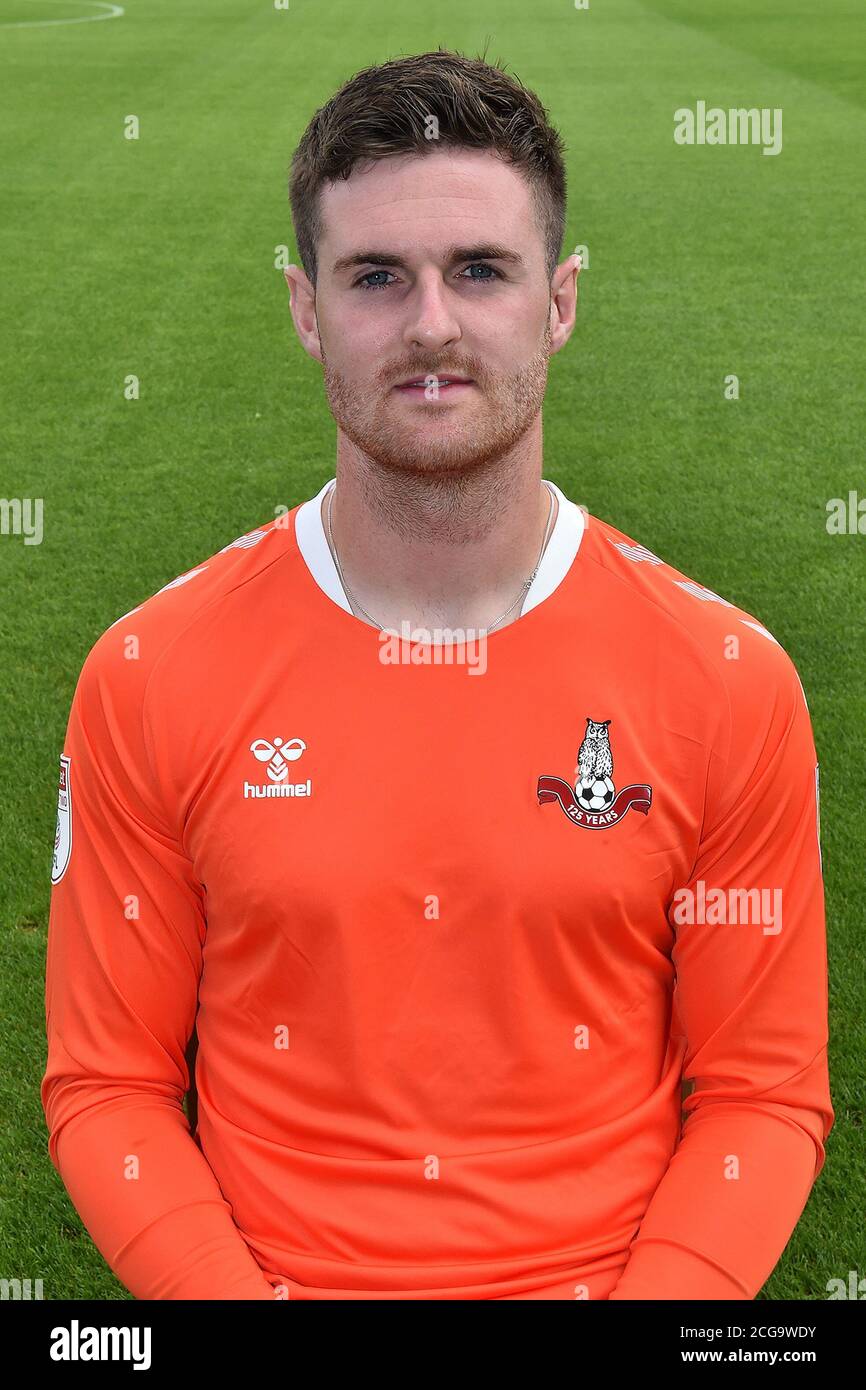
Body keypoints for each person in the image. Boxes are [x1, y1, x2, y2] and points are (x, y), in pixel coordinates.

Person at [41, 48, 832, 1301]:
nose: (430, 325)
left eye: (478, 269)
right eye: (374, 277)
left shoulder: (726, 681)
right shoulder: (150, 671)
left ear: (558, 300)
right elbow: (109, 1084)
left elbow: (759, 1091)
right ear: (305, 309)